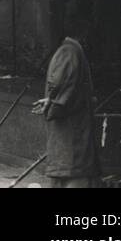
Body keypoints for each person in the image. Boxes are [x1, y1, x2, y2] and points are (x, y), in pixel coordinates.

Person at [33, 10, 100, 188]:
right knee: (73, 172)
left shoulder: (70, 51)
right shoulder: (69, 52)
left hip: (72, 124)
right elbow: (60, 84)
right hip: (71, 128)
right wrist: (54, 102)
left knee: (71, 171)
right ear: (84, 32)